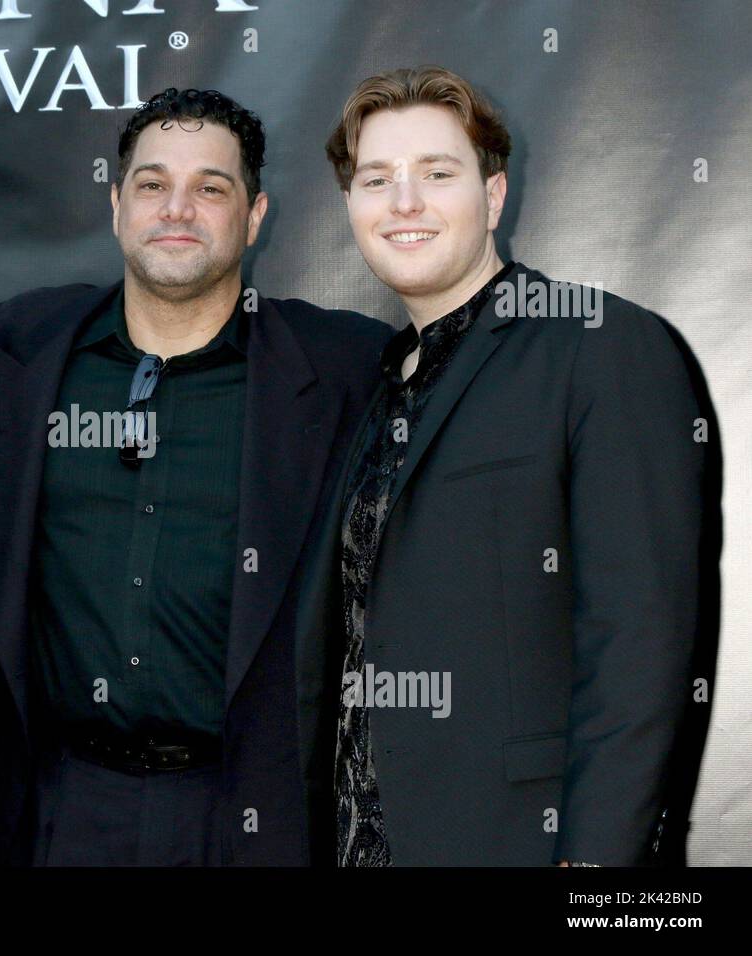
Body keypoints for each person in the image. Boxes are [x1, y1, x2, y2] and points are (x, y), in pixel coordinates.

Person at [299, 65, 717, 865]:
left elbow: (640, 646)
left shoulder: (598, 346)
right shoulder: (378, 386)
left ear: (493, 197)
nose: (404, 202)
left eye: (436, 173)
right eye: (376, 179)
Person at [0, 88, 392, 866]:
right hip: (61, 812)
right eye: (153, 183)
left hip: (246, 815)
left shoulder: (344, 368)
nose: (177, 209)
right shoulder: (21, 348)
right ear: (116, 206)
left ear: (254, 216)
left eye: (211, 188)